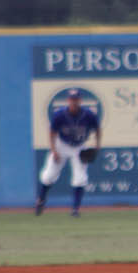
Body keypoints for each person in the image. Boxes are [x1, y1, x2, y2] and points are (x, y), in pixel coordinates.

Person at [36, 89, 101, 218]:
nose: (74, 102)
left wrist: (97, 146)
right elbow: (52, 133)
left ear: (80, 101)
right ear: (68, 101)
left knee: (80, 178)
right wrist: (54, 150)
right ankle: (41, 200)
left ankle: (75, 209)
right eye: (72, 99)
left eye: (76, 99)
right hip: (62, 145)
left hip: (79, 146)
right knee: (49, 176)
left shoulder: (88, 115)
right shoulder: (60, 114)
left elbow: (98, 129)